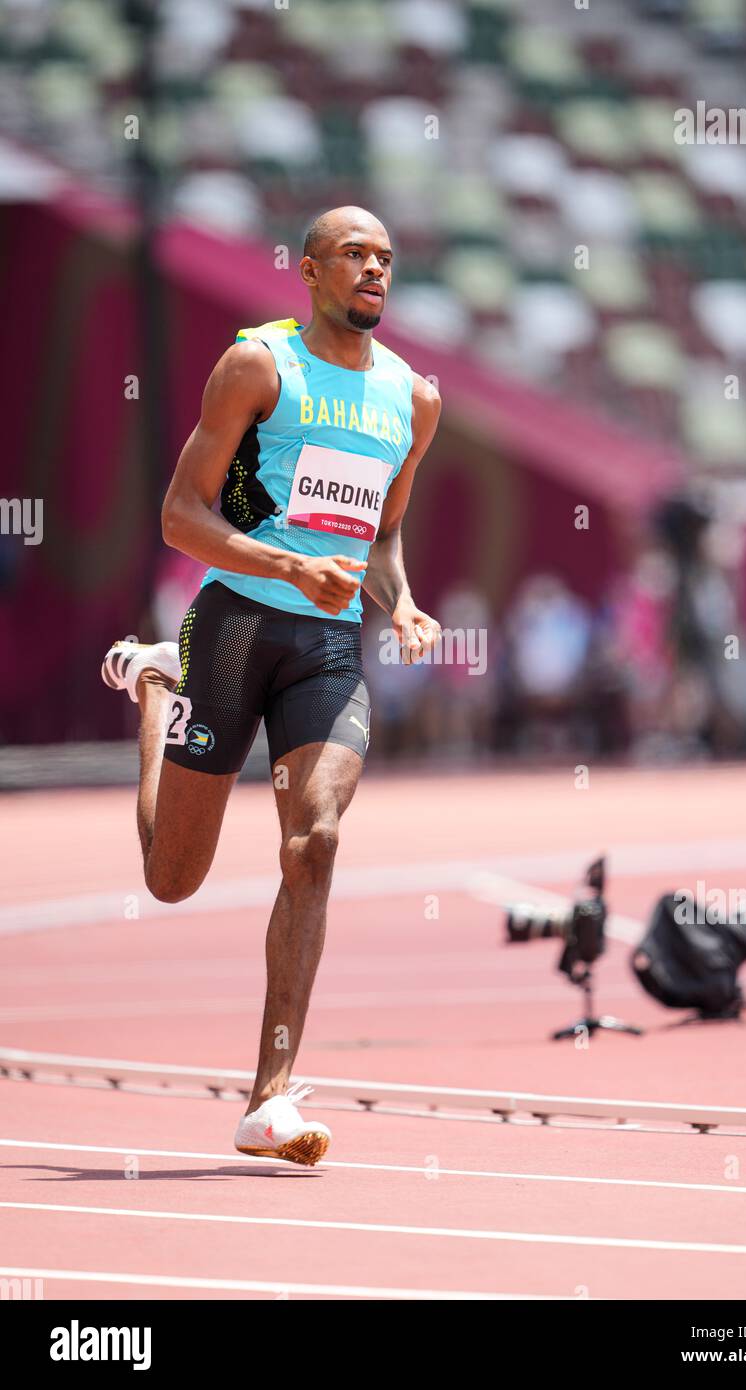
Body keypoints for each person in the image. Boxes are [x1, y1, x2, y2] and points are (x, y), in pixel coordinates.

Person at [101, 206, 441, 1165]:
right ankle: (157, 696)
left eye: (386, 255)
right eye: (354, 255)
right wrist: (289, 568)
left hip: (328, 647)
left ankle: (270, 1097)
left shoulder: (413, 400)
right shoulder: (258, 364)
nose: (375, 268)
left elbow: (381, 531)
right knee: (172, 881)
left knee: (317, 841)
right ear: (308, 270)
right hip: (234, 628)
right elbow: (179, 515)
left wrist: (403, 599)